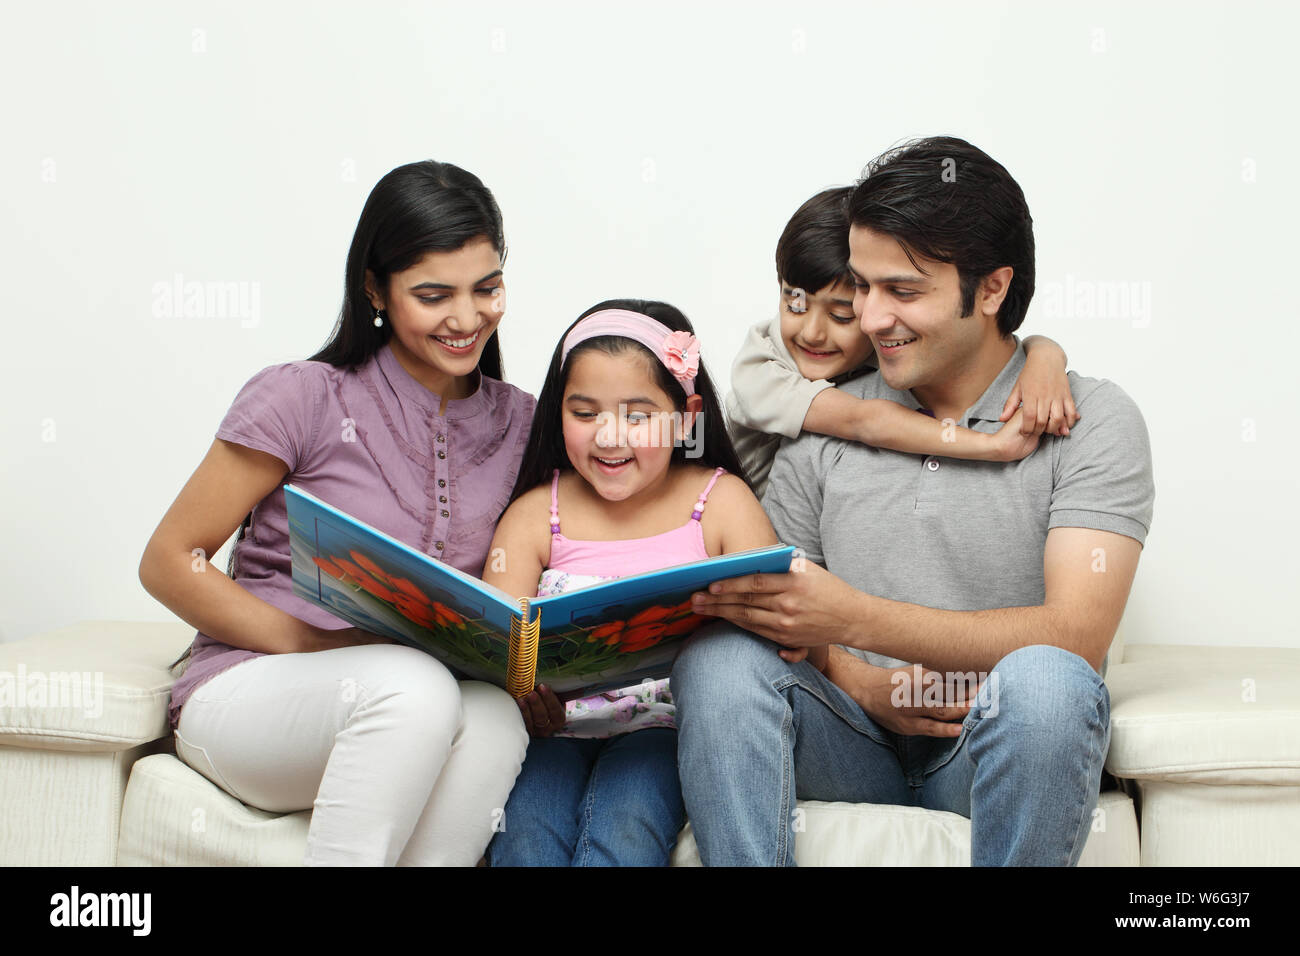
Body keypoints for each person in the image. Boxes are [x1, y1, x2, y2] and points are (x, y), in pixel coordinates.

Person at [675, 136, 1155, 866]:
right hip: (850, 738)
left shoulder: (1091, 420)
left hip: (986, 740)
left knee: (1052, 681)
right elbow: (783, 615)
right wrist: (860, 680)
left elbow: (1075, 635)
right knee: (718, 659)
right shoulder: (825, 413)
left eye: (901, 291)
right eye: (862, 286)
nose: (868, 318)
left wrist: (859, 618)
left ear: (991, 289)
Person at [138, 160, 534, 866]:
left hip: (419, 702)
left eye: (488, 288)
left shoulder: (525, 426)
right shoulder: (304, 396)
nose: (467, 319)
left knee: (494, 716)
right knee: (412, 689)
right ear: (375, 289)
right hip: (252, 689)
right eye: (434, 295)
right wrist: (317, 646)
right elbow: (169, 562)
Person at [481, 299, 778, 866]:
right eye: (584, 412)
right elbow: (500, 633)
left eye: (638, 415)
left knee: (625, 826)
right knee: (524, 832)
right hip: (553, 732)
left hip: (662, 732)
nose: (609, 436)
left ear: (687, 417)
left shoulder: (719, 502)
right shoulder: (538, 511)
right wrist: (522, 688)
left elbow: (775, 630)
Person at [727, 185, 1079, 499]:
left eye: (842, 316)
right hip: (729, 534)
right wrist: (991, 446)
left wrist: (1044, 355)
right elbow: (865, 421)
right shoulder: (759, 370)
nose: (812, 333)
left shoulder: (881, 339)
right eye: (794, 304)